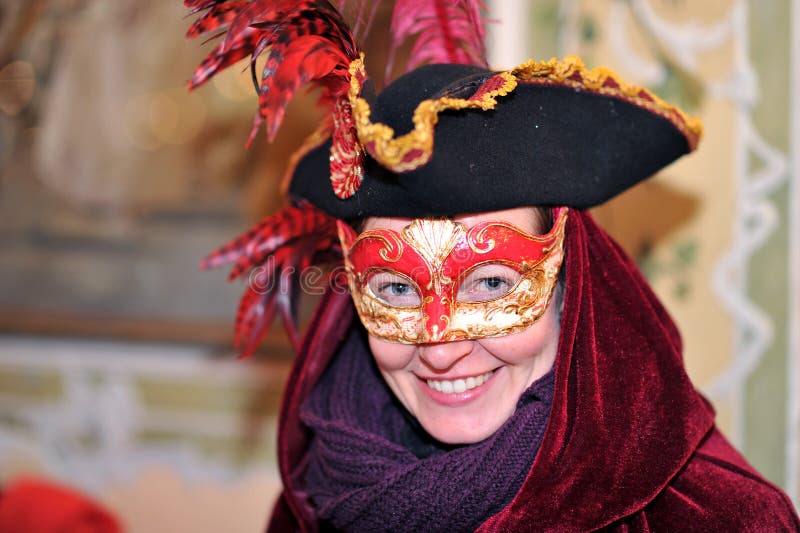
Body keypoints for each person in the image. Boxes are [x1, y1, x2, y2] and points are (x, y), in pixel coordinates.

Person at [184, 1, 800, 531]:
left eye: (490, 283)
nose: (441, 349)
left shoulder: (717, 521)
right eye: (396, 288)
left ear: (570, 283)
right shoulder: (321, 490)